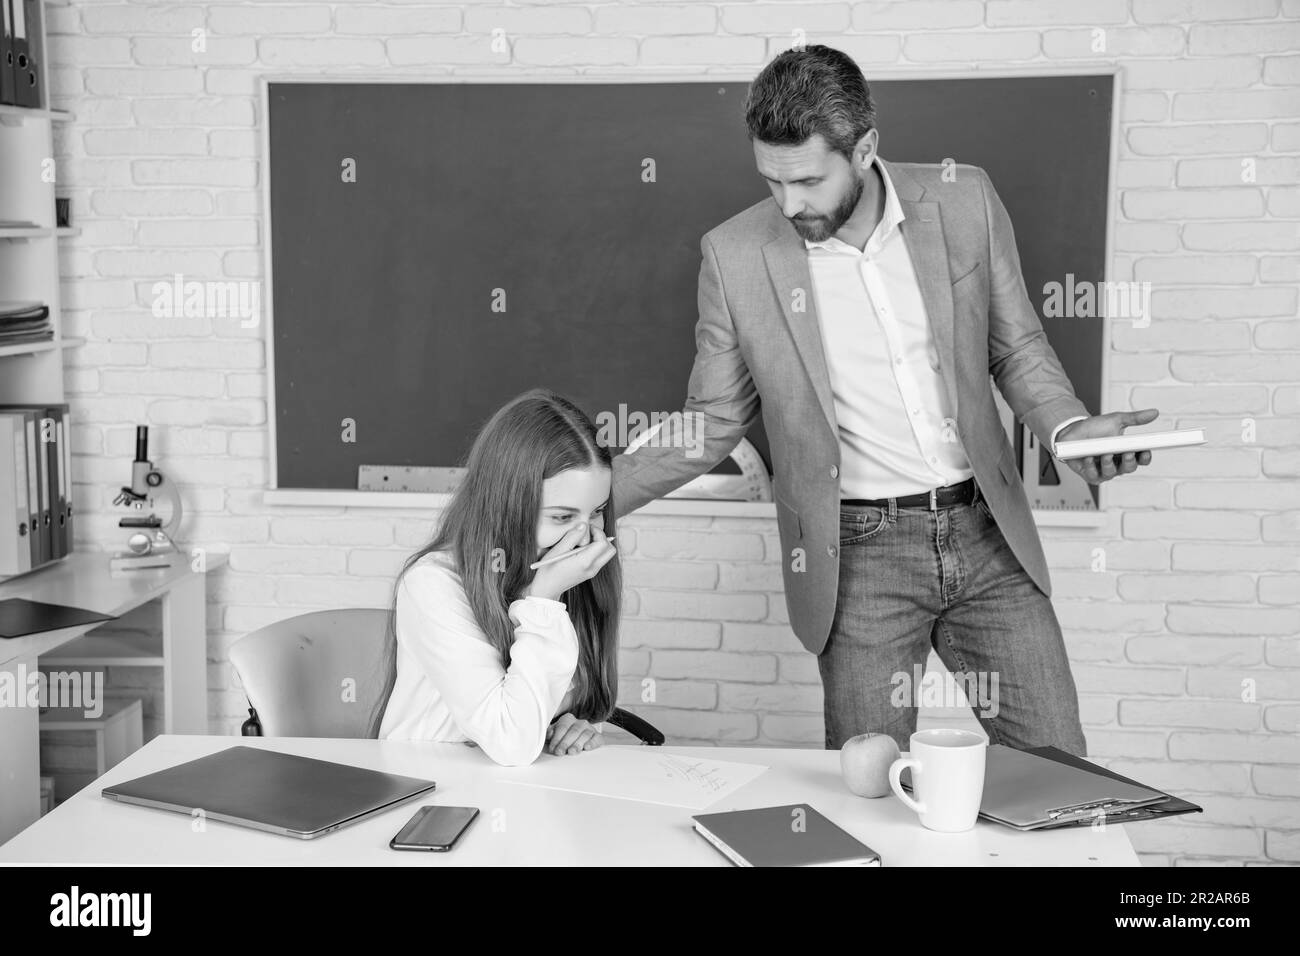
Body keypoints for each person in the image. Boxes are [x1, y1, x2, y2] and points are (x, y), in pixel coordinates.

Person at [612, 45, 1158, 757]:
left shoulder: (965, 201)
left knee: (1058, 770)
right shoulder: (736, 255)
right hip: (857, 556)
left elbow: (1016, 349)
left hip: (988, 535)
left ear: (865, 148)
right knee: (869, 786)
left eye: (808, 180)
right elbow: (714, 419)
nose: (789, 204)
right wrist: (591, 495)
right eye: (772, 182)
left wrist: (1071, 433)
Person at [372, 388, 620, 766]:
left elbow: (561, 704)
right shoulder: (433, 584)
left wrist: (576, 724)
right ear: (507, 505)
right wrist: (544, 600)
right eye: (561, 517)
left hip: (522, 790)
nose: (584, 536)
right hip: (432, 785)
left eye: (597, 511)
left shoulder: (565, 570)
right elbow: (511, 742)